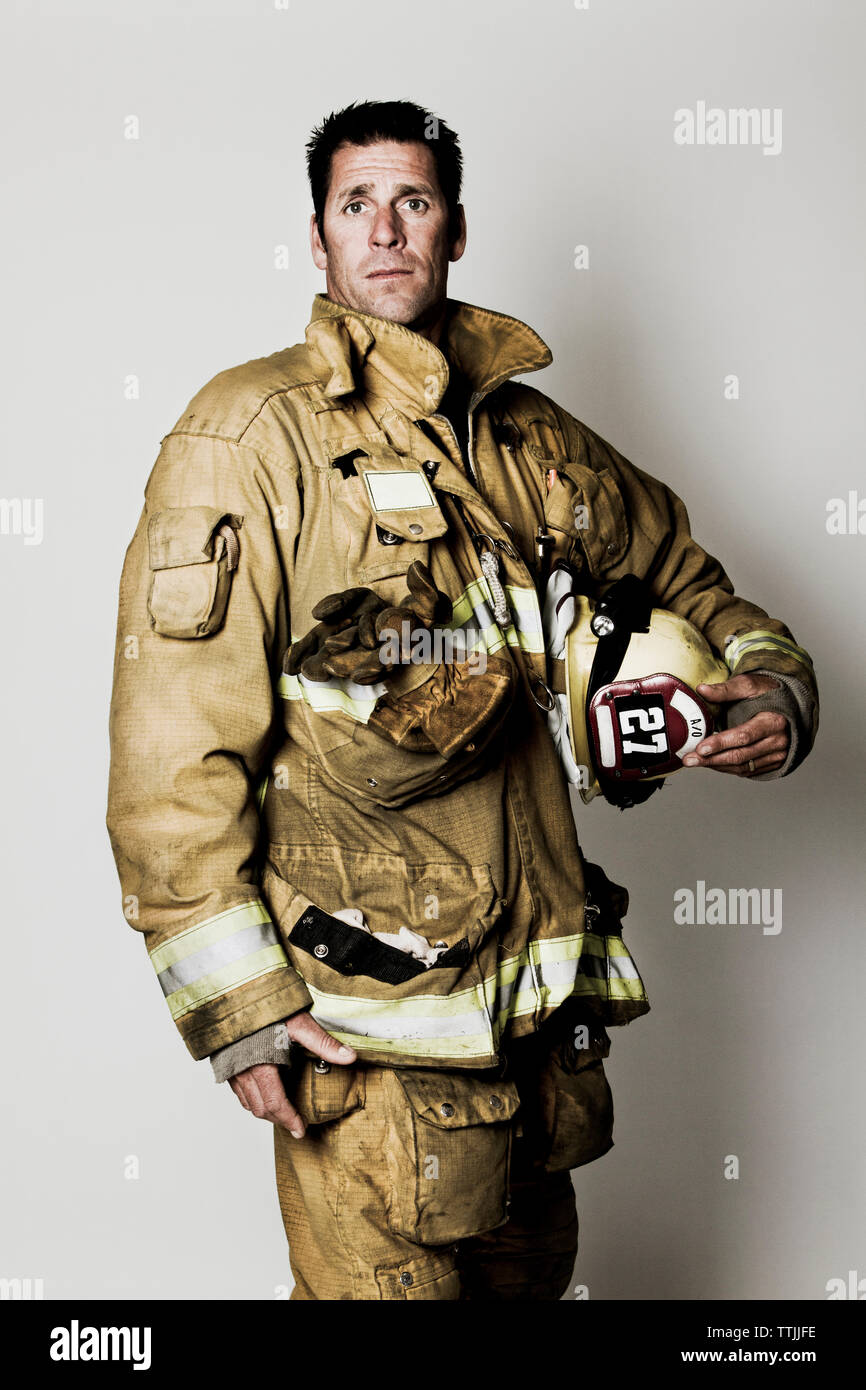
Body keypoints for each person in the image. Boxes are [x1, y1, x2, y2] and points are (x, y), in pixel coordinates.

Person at [106, 99, 818, 1301]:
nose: (385, 230)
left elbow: (693, 581)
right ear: (317, 240)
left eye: (414, 201)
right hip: (367, 1052)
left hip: (541, 1046)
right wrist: (238, 1004)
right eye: (355, 205)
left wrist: (771, 690)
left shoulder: (537, 444)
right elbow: (172, 745)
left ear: (456, 228)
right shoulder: (246, 438)